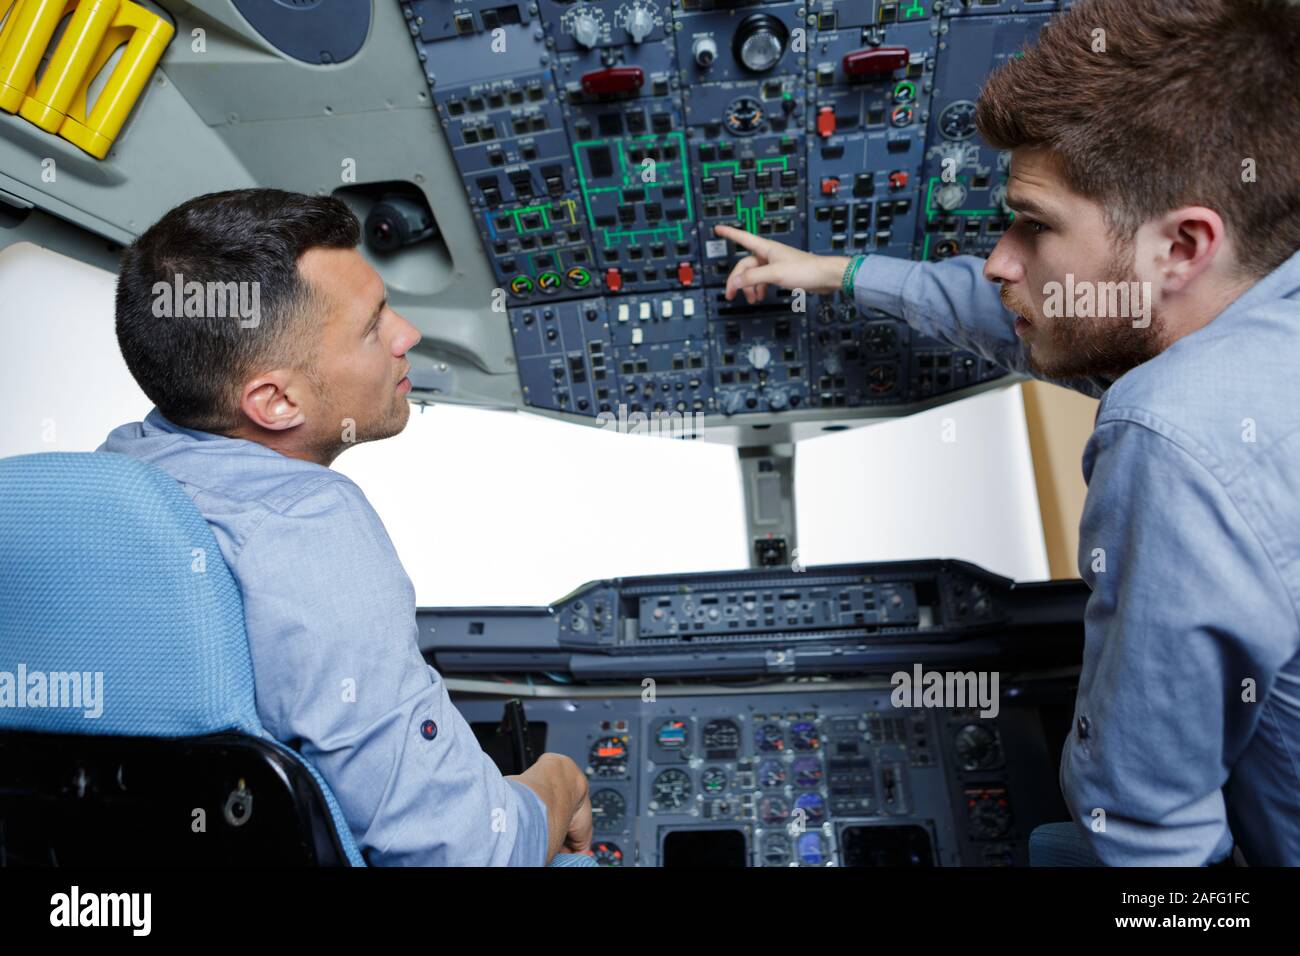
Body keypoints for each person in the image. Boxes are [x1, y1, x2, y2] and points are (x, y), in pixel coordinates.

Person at [716, 0, 1300, 865]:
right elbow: (1041, 312)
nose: (998, 258)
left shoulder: (1176, 435)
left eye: (1034, 223)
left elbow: (1144, 830)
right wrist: (840, 272)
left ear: (1181, 246)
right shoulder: (1252, 302)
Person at [100, 188, 594, 866]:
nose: (407, 336)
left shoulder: (97, 488)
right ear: (275, 401)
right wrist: (558, 781)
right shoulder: (305, 526)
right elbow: (467, 852)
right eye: (374, 324)